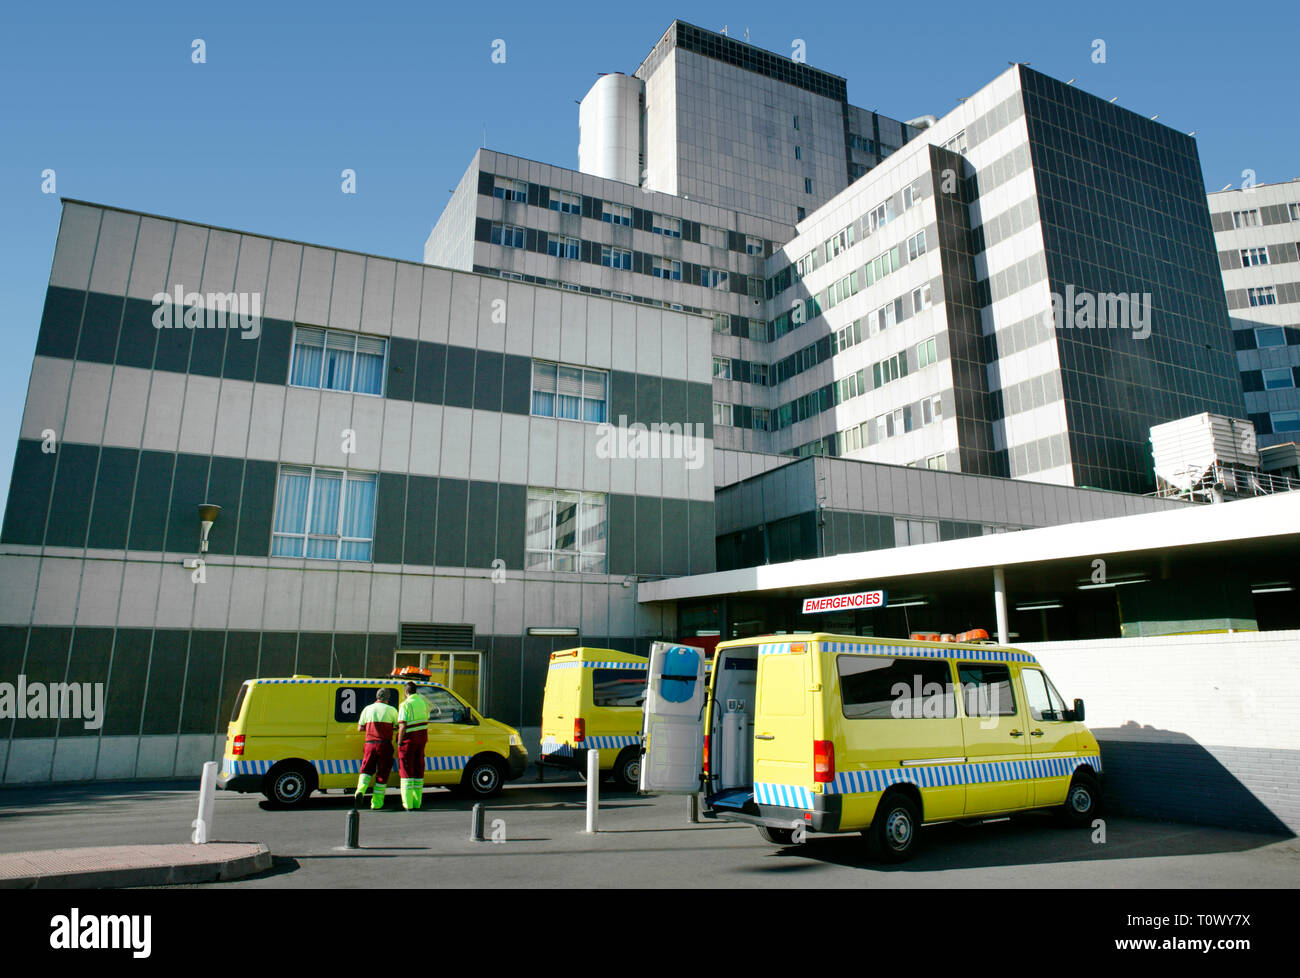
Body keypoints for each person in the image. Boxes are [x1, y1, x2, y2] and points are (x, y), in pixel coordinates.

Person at [354, 688, 398, 810]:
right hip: (384, 745)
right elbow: (398, 726)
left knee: (366, 769)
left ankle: (360, 791)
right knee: (382, 774)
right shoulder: (392, 710)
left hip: (369, 744)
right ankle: (377, 803)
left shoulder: (367, 709)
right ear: (387, 698)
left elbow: (360, 728)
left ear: (377, 697)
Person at [396, 682, 431, 811]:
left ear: (406, 692)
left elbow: (402, 726)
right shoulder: (423, 702)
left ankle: (408, 804)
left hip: (408, 741)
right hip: (421, 739)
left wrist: (399, 741)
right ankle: (417, 803)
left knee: (406, 771)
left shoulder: (405, 704)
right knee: (418, 770)